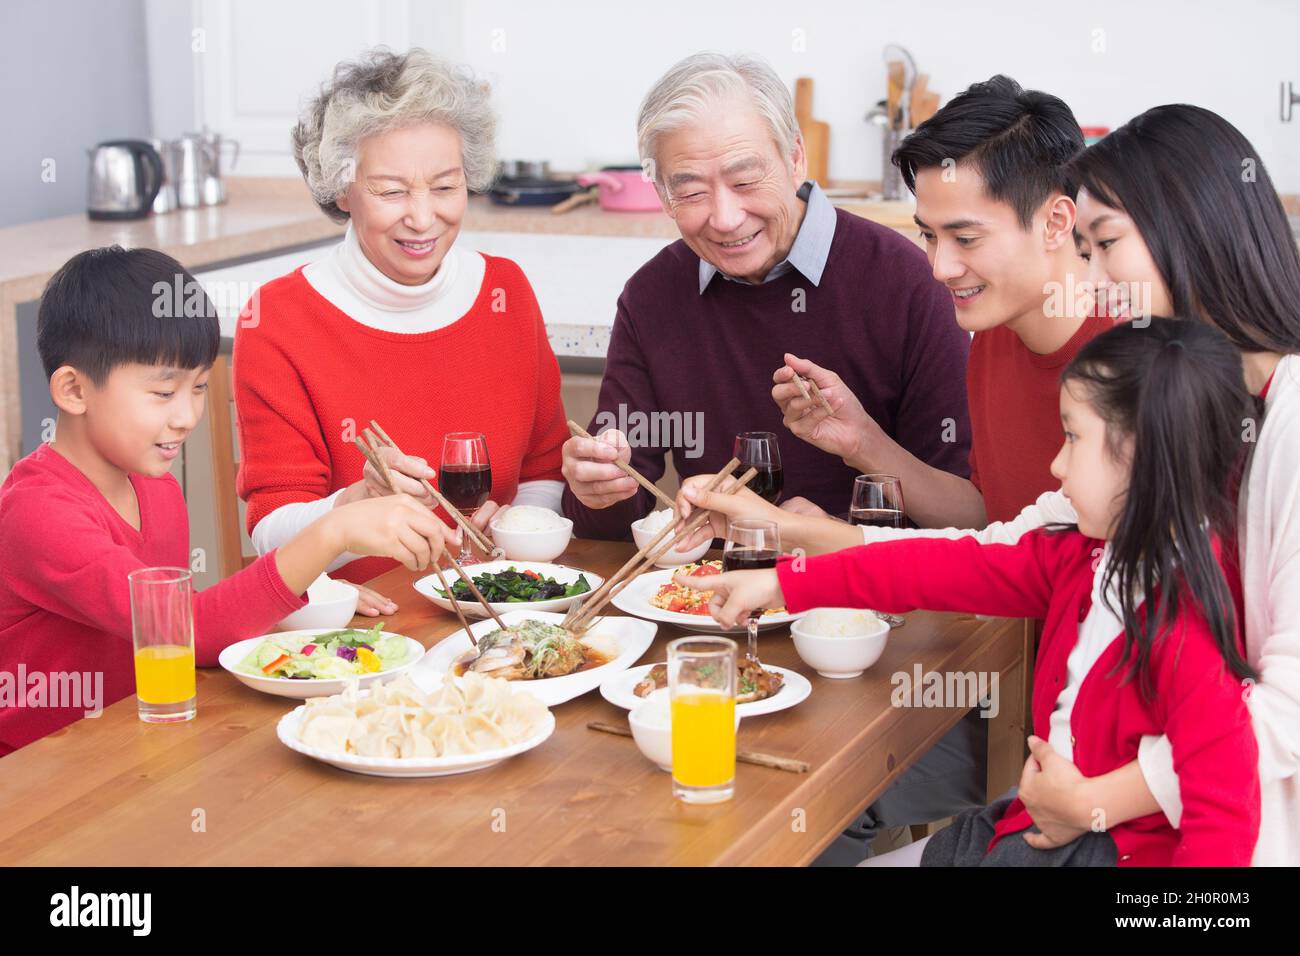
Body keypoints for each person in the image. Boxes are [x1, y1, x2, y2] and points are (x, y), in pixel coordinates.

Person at [680, 318, 1261, 866]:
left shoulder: (1185, 625)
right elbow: (930, 568)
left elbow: (1225, 822)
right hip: (1020, 828)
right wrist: (784, 579)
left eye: (1072, 439)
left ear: (1145, 459)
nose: (1055, 465)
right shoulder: (1077, 556)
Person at [0, 247, 454, 756]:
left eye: (197, 388)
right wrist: (332, 532)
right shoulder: (40, 512)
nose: (187, 415)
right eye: (163, 393)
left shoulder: (156, 488)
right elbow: (188, 632)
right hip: (37, 777)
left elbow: (172, 633)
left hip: (134, 746)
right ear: (73, 390)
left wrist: (280, 608)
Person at [560, 52, 971, 539]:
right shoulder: (654, 295)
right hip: (717, 597)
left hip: (875, 600)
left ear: (795, 157)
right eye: (691, 193)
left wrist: (832, 526)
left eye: (745, 181)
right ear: (662, 193)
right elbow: (606, 527)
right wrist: (598, 487)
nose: (726, 218)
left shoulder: (908, 281)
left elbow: (967, 518)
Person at [236, 47, 569, 602]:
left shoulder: (504, 292)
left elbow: (544, 467)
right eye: (391, 191)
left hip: (501, 607)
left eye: (445, 187)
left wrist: (515, 533)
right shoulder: (279, 319)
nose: (422, 217)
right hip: (365, 633)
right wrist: (354, 504)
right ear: (342, 189)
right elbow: (271, 532)